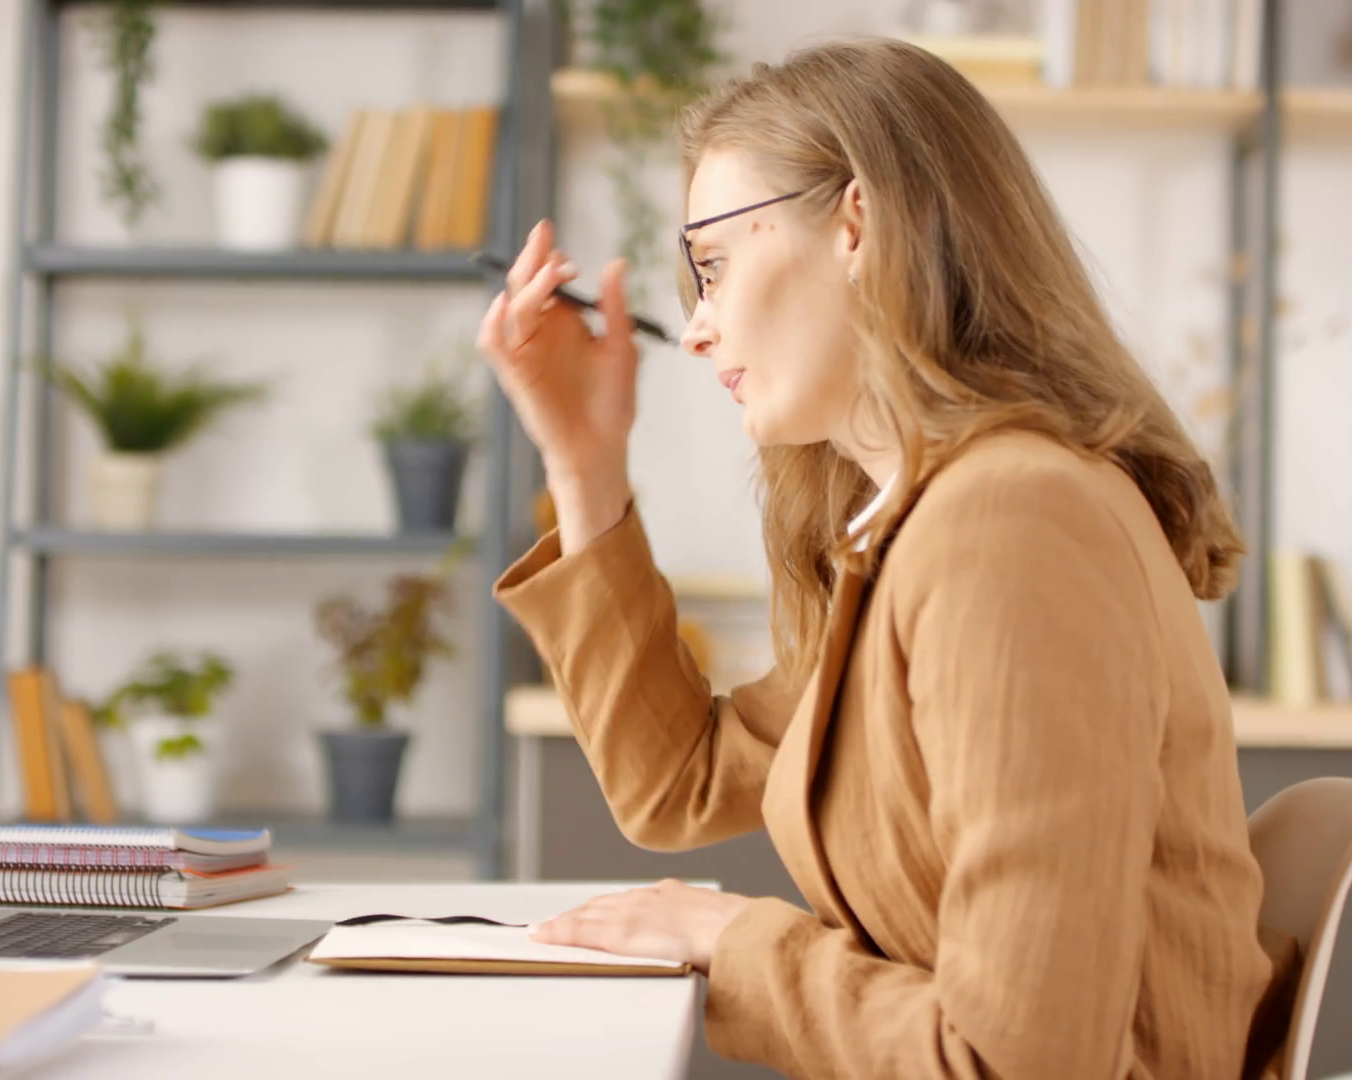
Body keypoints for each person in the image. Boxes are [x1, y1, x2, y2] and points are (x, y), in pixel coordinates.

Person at [476, 36, 1296, 1080]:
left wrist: (733, 943)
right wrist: (584, 462)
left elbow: (1021, 1063)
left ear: (857, 222)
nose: (693, 327)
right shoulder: (925, 525)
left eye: (714, 264)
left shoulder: (1011, 525)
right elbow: (675, 784)